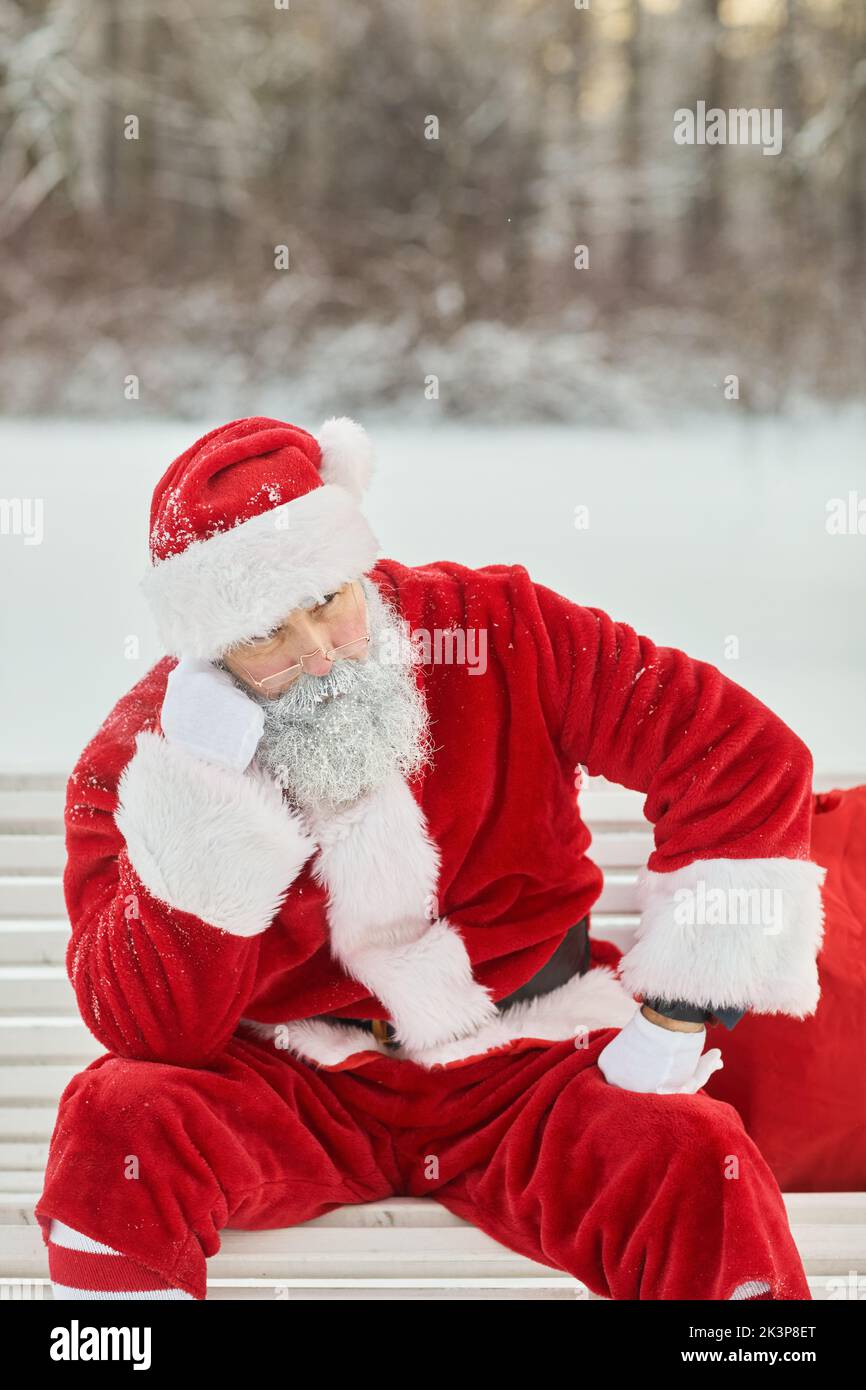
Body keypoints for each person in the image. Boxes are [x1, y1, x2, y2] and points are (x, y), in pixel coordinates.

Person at [34, 416, 825, 1301]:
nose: (320, 654)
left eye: (329, 601)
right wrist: (201, 796)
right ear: (208, 651)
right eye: (266, 635)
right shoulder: (143, 760)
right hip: (297, 1089)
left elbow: (739, 755)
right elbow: (151, 1035)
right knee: (118, 1123)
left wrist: (675, 1027)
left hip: (533, 1066)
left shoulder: (497, 631)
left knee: (697, 1161)